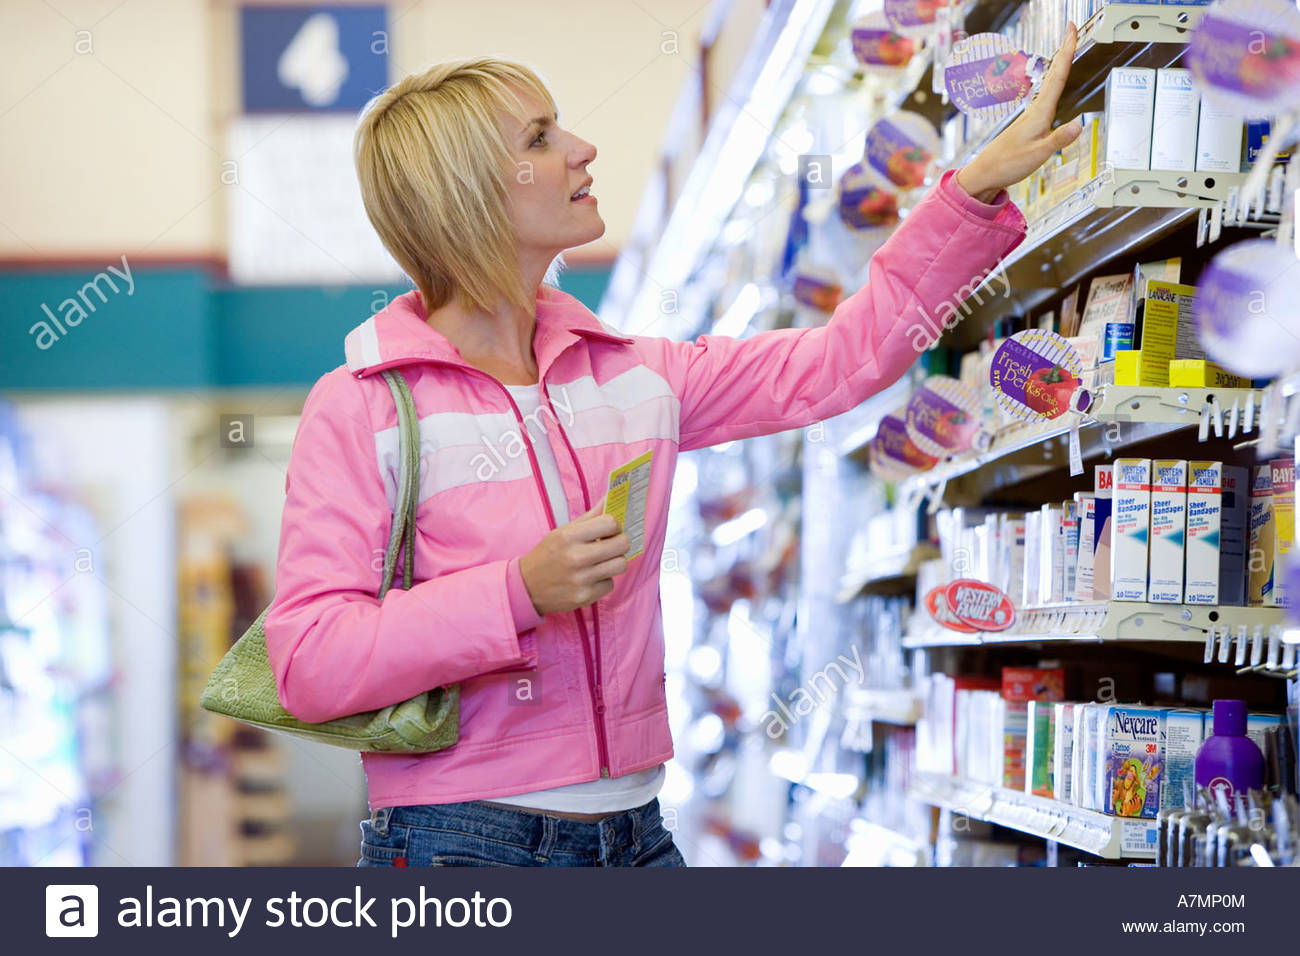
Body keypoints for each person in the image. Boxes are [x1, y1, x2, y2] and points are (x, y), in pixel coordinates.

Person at [263, 24, 1083, 867]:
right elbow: (312, 661)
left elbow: (840, 362)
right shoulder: (367, 408)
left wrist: (970, 191)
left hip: (637, 834)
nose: (583, 149)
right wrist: (515, 592)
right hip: (459, 843)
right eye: (541, 138)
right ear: (470, 192)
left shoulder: (634, 378)